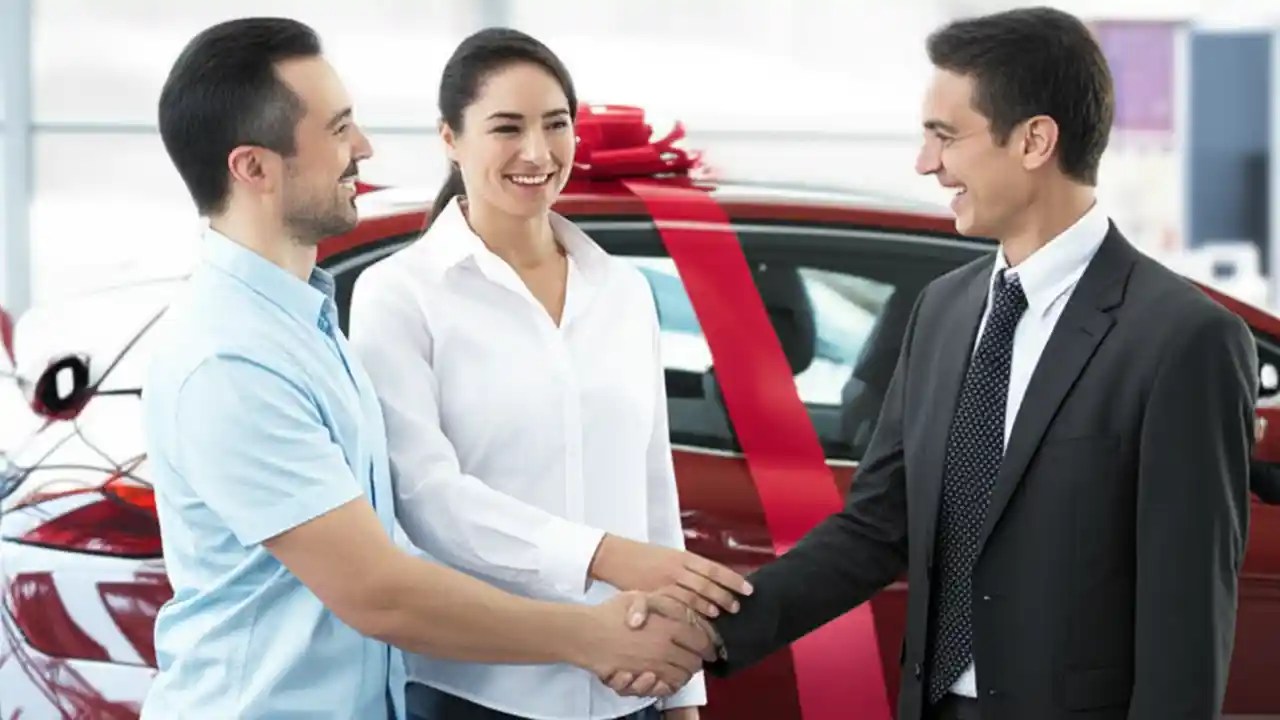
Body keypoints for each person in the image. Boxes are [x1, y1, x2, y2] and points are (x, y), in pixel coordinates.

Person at [625, 7, 1258, 720]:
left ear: (1034, 141)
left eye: (945, 136)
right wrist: (714, 628)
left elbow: (1186, 621)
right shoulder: (943, 311)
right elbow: (876, 528)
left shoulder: (1185, 339)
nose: (926, 163)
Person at [142, 18, 713, 720]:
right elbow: (382, 585)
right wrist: (590, 631)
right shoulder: (231, 359)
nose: (365, 148)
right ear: (254, 168)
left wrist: (673, 685)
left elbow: (651, 488)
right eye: (338, 128)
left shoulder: (305, 324)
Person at [347, 27, 747, 720]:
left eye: (555, 124)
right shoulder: (400, 294)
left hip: (631, 691)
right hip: (477, 691)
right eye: (506, 127)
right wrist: (603, 556)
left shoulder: (621, 290)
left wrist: (683, 696)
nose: (537, 153)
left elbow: (654, 488)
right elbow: (427, 499)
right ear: (450, 138)